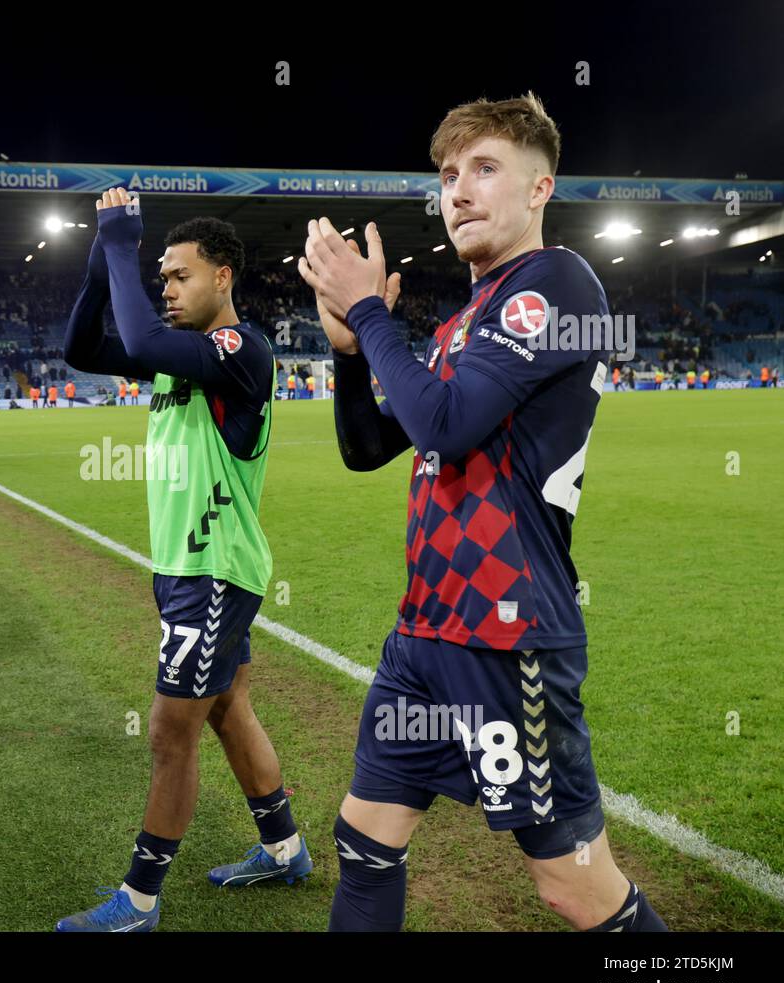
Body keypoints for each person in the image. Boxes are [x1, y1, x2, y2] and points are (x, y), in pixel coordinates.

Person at [300, 92, 667, 932]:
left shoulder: (559, 282)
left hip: (509, 638)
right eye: (447, 174)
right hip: (424, 635)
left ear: (541, 190)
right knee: (363, 838)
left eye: (484, 169)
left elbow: (448, 423)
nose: (457, 190)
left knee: (574, 887)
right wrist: (352, 354)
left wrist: (367, 309)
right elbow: (367, 446)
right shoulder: (464, 321)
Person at [59, 193, 304, 932]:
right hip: (185, 570)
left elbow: (138, 338)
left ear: (223, 277)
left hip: (215, 572)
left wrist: (122, 246)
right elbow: (82, 347)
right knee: (229, 710)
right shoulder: (177, 363)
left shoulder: (239, 352)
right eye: (160, 277)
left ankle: (137, 901)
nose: (165, 288)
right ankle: (284, 847)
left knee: (171, 731)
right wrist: (107, 259)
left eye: (179, 275)